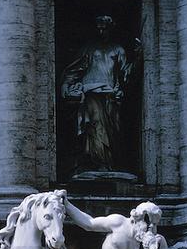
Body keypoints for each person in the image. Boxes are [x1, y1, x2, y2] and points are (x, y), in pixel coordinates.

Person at [60, 15, 140, 172]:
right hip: (90, 93)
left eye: (104, 28)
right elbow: (76, 69)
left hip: (110, 96)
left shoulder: (118, 50)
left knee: (112, 130)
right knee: (94, 126)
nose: (101, 31)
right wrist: (65, 84)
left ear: (111, 28)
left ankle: (108, 162)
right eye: (99, 28)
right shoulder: (88, 49)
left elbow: (126, 75)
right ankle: (97, 163)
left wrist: (138, 56)